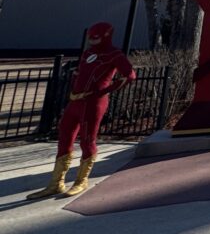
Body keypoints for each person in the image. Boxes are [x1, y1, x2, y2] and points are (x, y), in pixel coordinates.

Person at [27, 22, 136, 199]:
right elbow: (81, 72)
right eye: (90, 36)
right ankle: (56, 183)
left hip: (93, 103)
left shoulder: (114, 54)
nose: (92, 39)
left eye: (96, 36)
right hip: (75, 101)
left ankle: (81, 180)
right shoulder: (89, 53)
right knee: (64, 137)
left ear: (106, 35)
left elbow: (129, 75)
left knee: (87, 139)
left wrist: (103, 91)